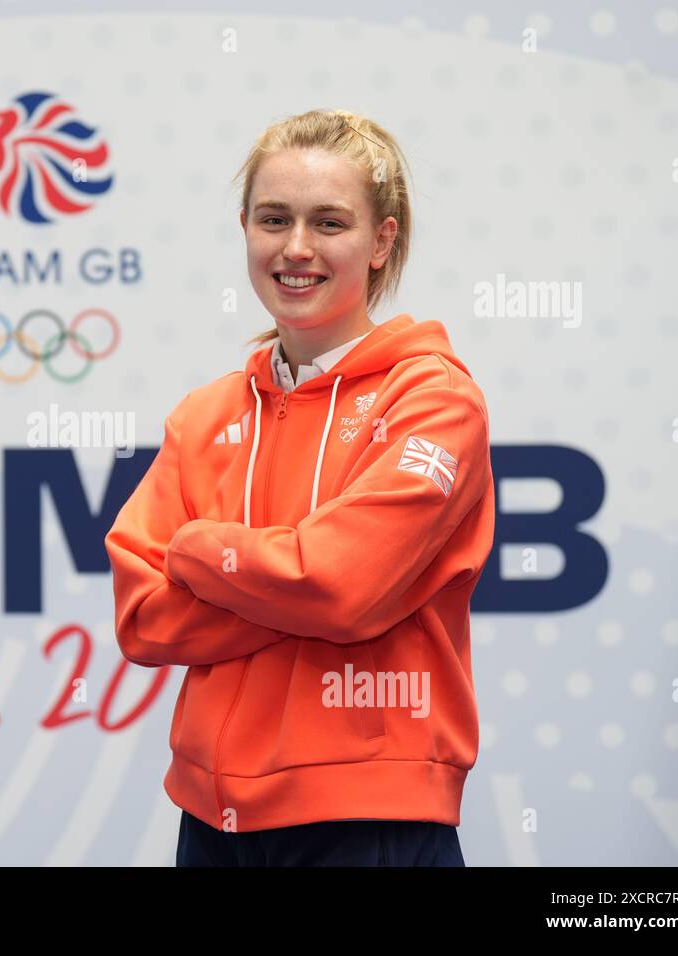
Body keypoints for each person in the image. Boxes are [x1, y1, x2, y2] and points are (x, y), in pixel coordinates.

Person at [103, 109, 496, 867]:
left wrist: (198, 550)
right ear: (245, 228)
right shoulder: (205, 415)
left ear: (381, 241)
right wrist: (303, 587)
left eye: (330, 222)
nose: (296, 248)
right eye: (274, 219)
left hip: (370, 814)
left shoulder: (434, 403)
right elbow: (143, 618)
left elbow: (339, 587)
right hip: (209, 820)